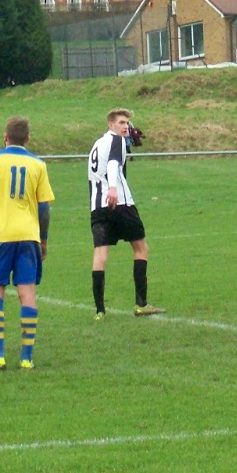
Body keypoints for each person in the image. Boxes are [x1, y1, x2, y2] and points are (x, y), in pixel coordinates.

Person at [0, 116, 54, 370]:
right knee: (27, 292)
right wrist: (43, 239)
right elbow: (44, 209)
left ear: (4, 137)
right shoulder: (38, 165)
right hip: (28, 235)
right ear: (28, 139)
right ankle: (26, 358)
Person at [87, 108, 165, 319]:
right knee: (141, 248)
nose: (125, 127)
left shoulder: (96, 144)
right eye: (121, 122)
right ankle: (141, 304)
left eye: (127, 124)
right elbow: (113, 164)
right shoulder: (116, 141)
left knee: (100, 255)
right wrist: (113, 188)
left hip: (98, 206)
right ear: (110, 125)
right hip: (120, 202)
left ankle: (100, 311)